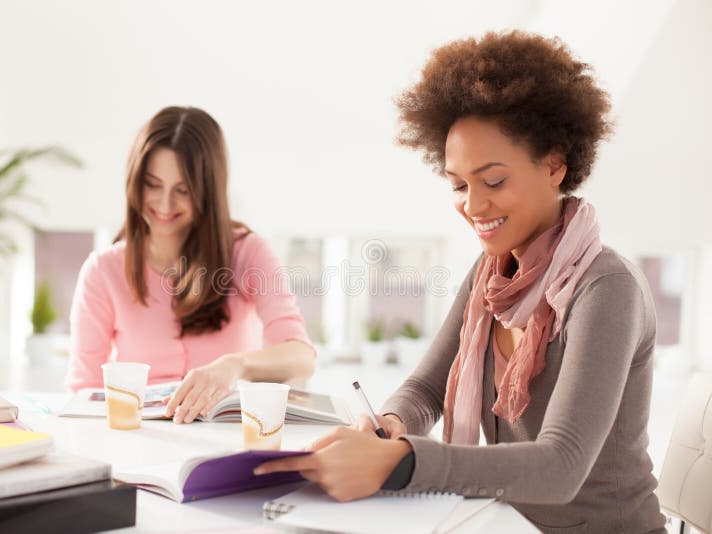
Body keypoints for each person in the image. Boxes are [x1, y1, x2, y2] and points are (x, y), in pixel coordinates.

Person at [255, 31, 667, 533]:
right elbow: (427, 386)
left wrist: (404, 463)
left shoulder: (606, 288)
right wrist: (394, 424)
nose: (473, 206)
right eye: (458, 184)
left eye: (493, 181)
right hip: (505, 521)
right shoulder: (491, 275)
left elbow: (561, 467)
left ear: (554, 165)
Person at [65, 106, 316, 424]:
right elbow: (83, 391)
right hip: (142, 442)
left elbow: (302, 356)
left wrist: (235, 366)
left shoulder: (248, 253)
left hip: (222, 441)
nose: (164, 204)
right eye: (153, 185)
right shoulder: (103, 271)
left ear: (208, 193)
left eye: (182, 190)